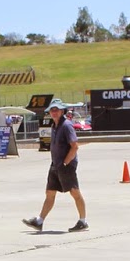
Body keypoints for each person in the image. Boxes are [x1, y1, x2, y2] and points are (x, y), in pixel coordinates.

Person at [23, 98, 88, 232]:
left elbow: (75, 146)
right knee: (50, 192)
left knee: (74, 191)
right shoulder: (54, 126)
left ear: (62, 111)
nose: (54, 112)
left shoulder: (66, 125)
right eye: (52, 110)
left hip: (65, 165)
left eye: (57, 110)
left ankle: (83, 221)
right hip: (55, 164)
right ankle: (39, 221)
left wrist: (66, 162)